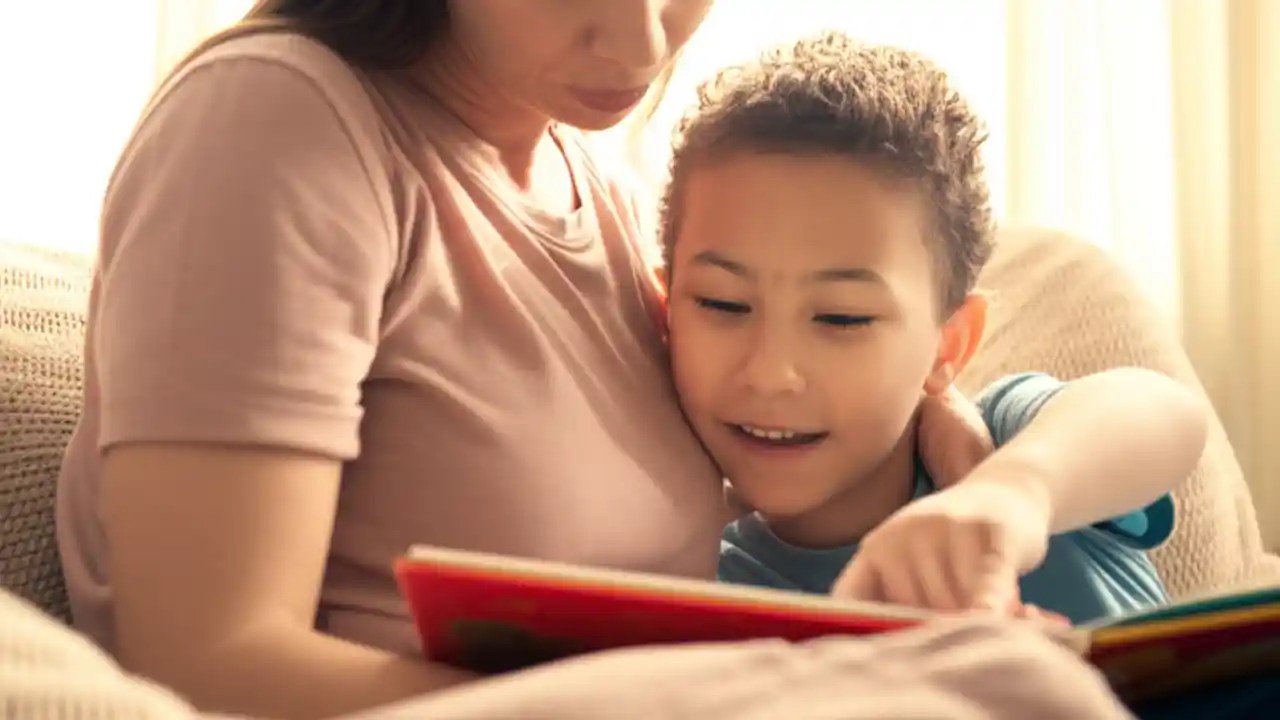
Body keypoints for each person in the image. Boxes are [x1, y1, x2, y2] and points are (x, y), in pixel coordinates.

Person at [51, 2, 1135, 718]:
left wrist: (944, 429)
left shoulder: (596, 182)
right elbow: (205, 664)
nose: (640, 45)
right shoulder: (279, 119)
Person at [658, 33, 1208, 622]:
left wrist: (1013, 492)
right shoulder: (705, 579)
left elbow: (1167, 416)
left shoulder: (998, 446)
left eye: (842, 317)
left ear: (950, 344)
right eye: (722, 304)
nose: (770, 373)